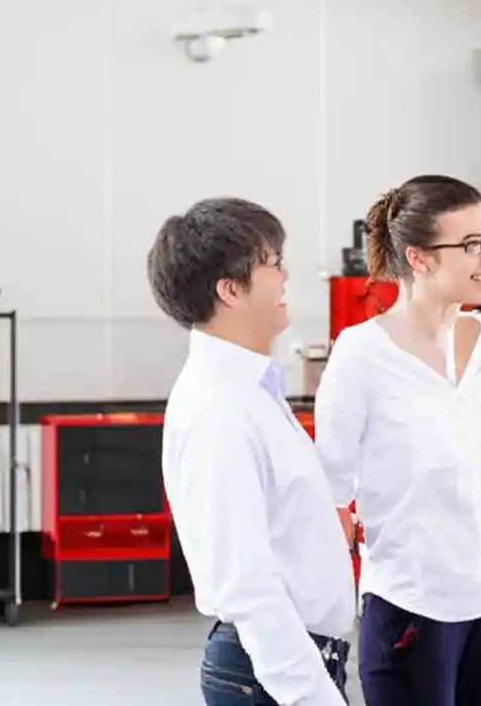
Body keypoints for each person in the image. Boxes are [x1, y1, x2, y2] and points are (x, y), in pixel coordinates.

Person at [313, 175, 481, 706]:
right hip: (409, 609)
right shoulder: (360, 354)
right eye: (472, 245)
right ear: (419, 259)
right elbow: (330, 492)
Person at [148, 197, 355, 706]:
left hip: (291, 662)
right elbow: (245, 583)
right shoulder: (219, 409)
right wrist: (315, 698)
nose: (284, 277)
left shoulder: (251, 388)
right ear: (230, 290)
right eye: (272, 264)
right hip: (272, 674)